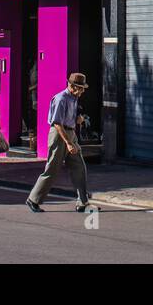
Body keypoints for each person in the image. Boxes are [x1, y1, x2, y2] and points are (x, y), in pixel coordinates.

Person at [25, 73, 94, 213]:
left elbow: (68, 118)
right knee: (52, 169)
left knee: (79, 166)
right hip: (59, 135)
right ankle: (33, 199)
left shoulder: (74, 98)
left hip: (70, 133)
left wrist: (77, 120)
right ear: (72, 86)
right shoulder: (61, 98)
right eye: (80, 88)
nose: (82, 91)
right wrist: (68, 143)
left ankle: (83, 202)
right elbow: (57, 123)